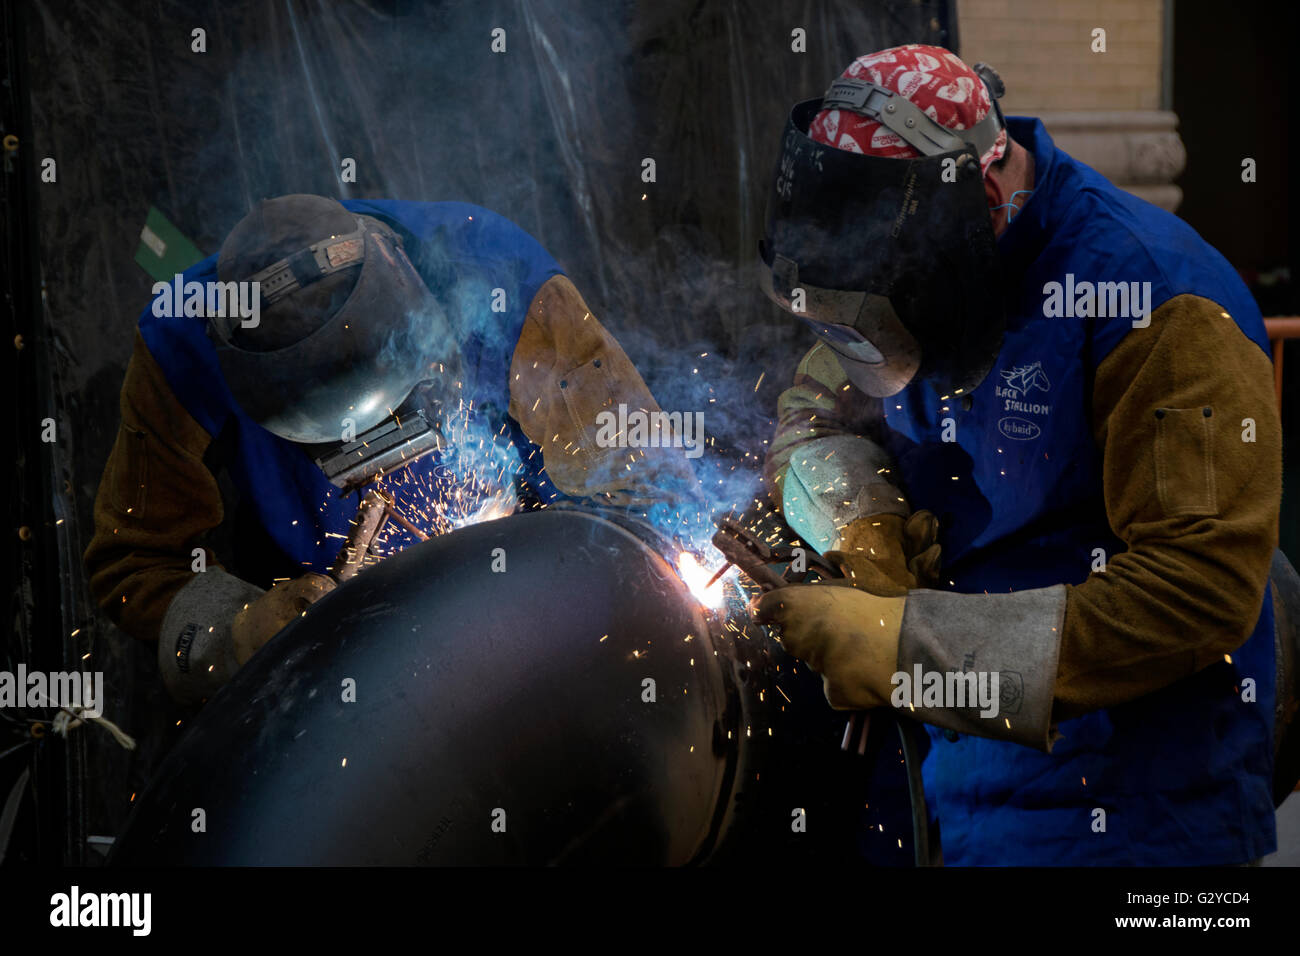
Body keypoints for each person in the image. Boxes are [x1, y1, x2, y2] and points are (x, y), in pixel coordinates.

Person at [754, 45, 1284, 865]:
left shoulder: (1159, 304)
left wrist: (907, 651)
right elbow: (814, 410)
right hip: (951, 783)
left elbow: (1203, 591)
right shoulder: (909, 274)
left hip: (1131, 813)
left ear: (988, 199)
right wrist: (857, 516)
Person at [85, 194, 695, 705]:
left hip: (541, 599)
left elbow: (646, 483)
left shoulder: (500, 276)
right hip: (342, 655)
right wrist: (240, 632)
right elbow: (135, 564)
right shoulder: (180, 347)